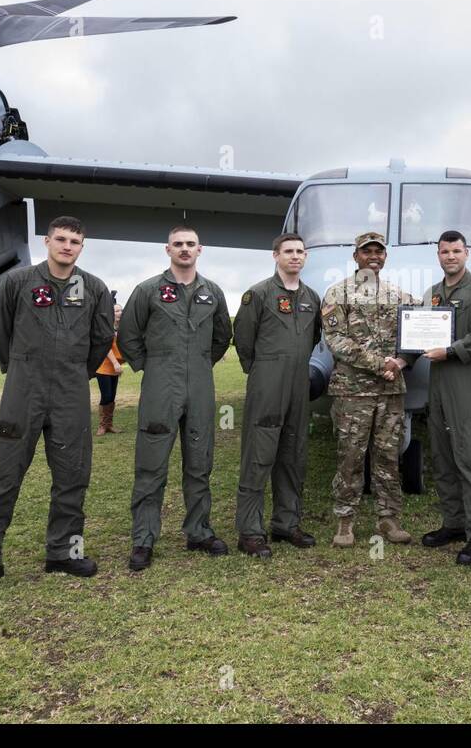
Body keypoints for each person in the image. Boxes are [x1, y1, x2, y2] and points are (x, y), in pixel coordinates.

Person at [0, 215, 115, 599]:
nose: (67, 246)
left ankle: (63, 552)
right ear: (47, 241)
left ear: (82, 246)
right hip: (23, 389)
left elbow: (102, 337)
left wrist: (76, 372)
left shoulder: (94, 288)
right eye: (61, 239)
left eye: (75, 241)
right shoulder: (18, 282)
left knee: (73, 476)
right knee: (2, 477)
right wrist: (21, 366)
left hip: (71, 393)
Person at [118, 226, 232, 570]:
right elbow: (128, 335)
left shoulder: (212, 293)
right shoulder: (148, 290)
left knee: (200, 462)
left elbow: (222, 337)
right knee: (151, 465)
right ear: (167, 249)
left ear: (201, 249)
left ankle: (198, 531)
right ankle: (144, 539)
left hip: (200, 385)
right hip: (160, 384)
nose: (185, 249)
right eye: (178, 244)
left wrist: (198, 365)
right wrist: (151, 367)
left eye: (191, 244)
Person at [322, 231, 419, 549]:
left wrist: (403, 360)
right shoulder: (338, 293)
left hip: (390, 393)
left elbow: (422, 327)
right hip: (352, 392)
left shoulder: (398, 295)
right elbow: (337, 342)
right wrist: (381, 364)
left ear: (385, 257)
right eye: (367, 251)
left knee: (388, 457)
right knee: (350, 457)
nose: (373, 256)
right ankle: (345, 519)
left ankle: (389, 518)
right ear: (356, 257)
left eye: (379, 251)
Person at [231, 233, 322, 558]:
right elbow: (243, 340)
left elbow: (312, 339)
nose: (295, 256)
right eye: (288, 251)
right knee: (259, 455)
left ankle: (286, 523)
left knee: (293, 454)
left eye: (300, 251)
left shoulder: (312, 297)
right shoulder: (258, 294)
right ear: (276, 255)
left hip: (299, 381)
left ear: (305, 257)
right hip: (266, 381)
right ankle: (250, 531)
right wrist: (262, 372)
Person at [419, 230, 471, 565]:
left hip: (467, 379)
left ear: (466, 253)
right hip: (437, 382)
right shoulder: (432, 294)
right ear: (438, 255)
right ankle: (453, 523)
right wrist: (402, 358)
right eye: (444, 252)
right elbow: (417, 332)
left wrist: (450, 350)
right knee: (442, 457)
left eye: (456, 251)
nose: (450, 257)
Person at [95, 301, 124, 435]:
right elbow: (106, 348)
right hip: (104, 367)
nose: (120, 313)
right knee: (106, 396)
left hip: (115, 368)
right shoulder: (107, 327)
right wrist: (115, 363)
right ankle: (102, 426)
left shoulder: (121, 328)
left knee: (112, 396)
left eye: (121, 310)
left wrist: (119, 364)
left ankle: (109, 425)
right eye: (117, 311)